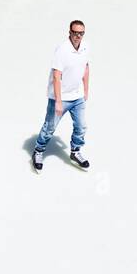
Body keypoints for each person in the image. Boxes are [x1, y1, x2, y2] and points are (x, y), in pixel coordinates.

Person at [32, 20, 91, 171]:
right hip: (60, 97)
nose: (78, 36)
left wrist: (86, 89)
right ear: (70, 32)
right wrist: (58, 101)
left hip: (77, 96)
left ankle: (75, 151)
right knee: (49, 128)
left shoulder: (85, 47)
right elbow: (56, 76)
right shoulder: (62, 50)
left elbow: (85, 68)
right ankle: (38, 151)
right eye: (75, 32)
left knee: (81, 126)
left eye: (81, 33)